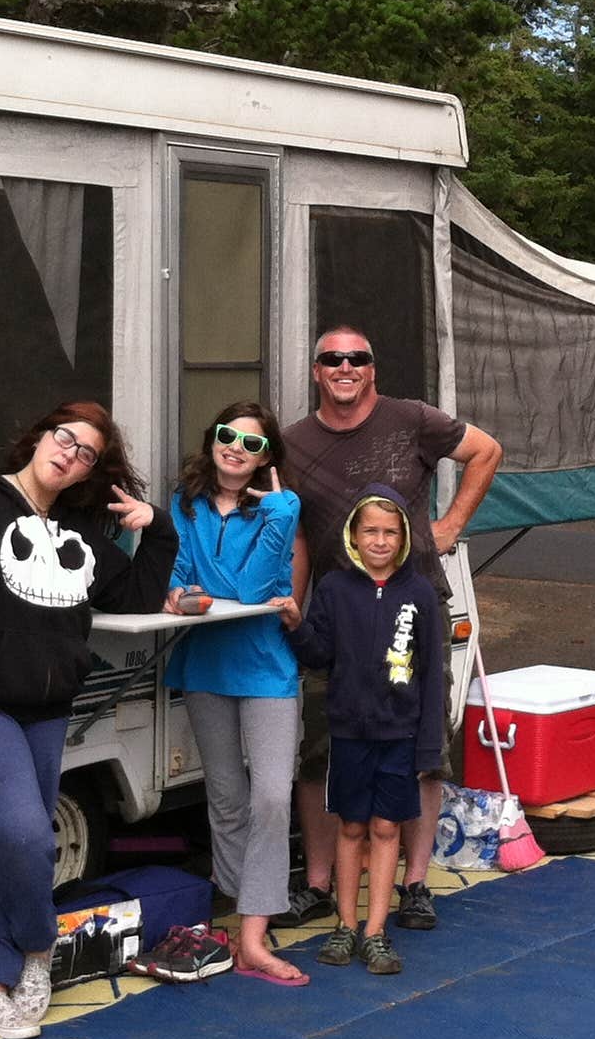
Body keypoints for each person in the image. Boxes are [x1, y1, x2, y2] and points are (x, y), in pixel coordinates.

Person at [0, 401, 177, 1039]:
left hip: (47, 710)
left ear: (88, 473)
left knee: (1, 842)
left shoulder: (77, 535)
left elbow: (135, 596)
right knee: (28, 837)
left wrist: (156, 528)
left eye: (85, 454)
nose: (69, 454)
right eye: (64, 439)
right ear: (37, 437)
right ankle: (38, 946)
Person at [279, 324, 502, 932]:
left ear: (373, 368)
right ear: (316, 370)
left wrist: (451, 523)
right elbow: (298, 533)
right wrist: (295, 609)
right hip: (337, 617)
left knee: (422, 751)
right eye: (332, 358)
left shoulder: (413, 419)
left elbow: (487, 451)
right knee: (320, 753)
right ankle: (321, 886)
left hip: (415, 608)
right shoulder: (293, 443)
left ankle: (415, 883)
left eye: (358, 358)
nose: (345, 367)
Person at [162, 400, 310, 987]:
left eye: (253, 444)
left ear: (267, 457)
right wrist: (178, 595)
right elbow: (179, 580)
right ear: (212, 437)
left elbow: (248, 589)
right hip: (205, 665)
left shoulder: (281, 508)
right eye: (228, 436)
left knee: (271, 797)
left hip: (265, 665)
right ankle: (236, 918)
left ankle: (253, 935)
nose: (236, 449)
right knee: (224, 797)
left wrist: (281, 511)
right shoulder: (187, 503)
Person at [281, 487, 447, 977]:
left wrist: (429, 744)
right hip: (348, 734)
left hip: (399, 736)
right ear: (353, 534)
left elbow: (433, 674)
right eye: (370, 530)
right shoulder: (333, 588)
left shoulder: (419, 594)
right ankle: (345, 923)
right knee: (351, 827)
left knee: (386, 827)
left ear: (405, 538)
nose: (380, 540)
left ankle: (375, 931)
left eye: (390, 532)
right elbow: (317, 654)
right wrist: (293, 623)